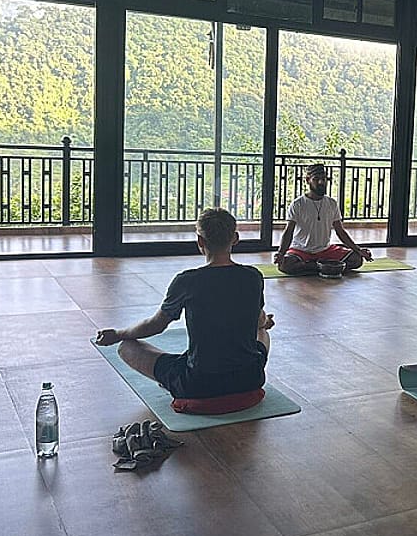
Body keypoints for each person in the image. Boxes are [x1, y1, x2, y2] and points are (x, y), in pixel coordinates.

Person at [94, 208, 273, 399]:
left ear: (200, 241)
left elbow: (156, 325)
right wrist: (263, 323)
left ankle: (171, 381)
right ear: (235, 238)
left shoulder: (187, 281)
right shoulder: (253, 276)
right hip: (250, 378)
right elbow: (258, 318)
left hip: (199, 383)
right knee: (262, 330)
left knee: (126, 347)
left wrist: (118, 334)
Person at [274, 162, 372, 276]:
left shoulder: (331, 203)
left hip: (326, 250)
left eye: (323, 179)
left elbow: (340, 231)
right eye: (316, 179)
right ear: (307, 180)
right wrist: (281, 253)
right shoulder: (298, 204)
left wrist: (358, 250)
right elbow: (288, 232)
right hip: (301, 250)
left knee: (357, 259)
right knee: (284, 265)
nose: (321, 182)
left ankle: (314, 266)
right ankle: (325, 266)